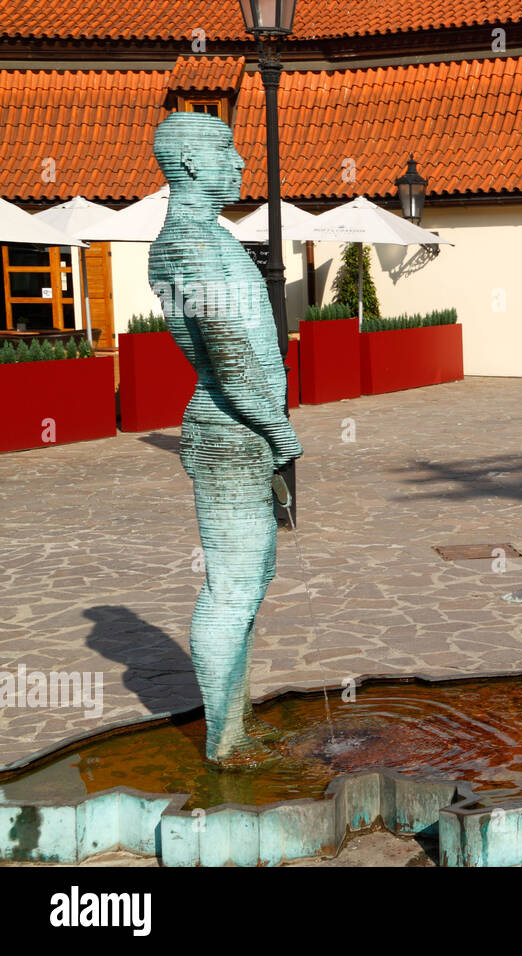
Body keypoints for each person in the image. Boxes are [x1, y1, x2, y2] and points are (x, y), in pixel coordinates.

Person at [148, 111, 302, 765]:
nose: (241, 162)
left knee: (252, 578)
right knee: (231, 587)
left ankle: (235, 723)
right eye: (228, 151)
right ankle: (222, 740)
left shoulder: (211, 236)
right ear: (188, 162)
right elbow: (228, 352)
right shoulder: (186, 242)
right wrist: (280, 432)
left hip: (245, 430)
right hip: (230, 429)